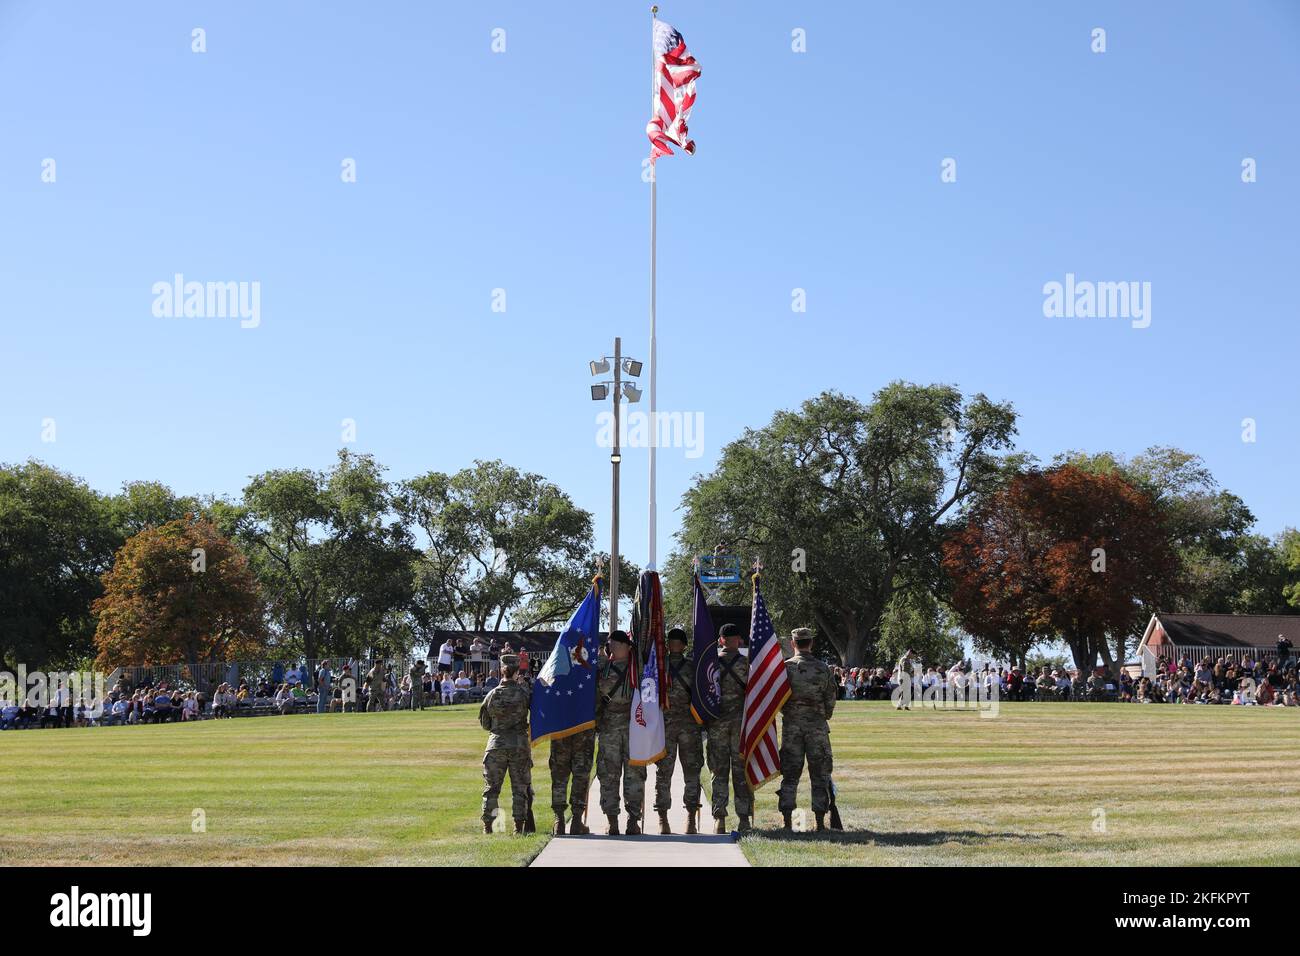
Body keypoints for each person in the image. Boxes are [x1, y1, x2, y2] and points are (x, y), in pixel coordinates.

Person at [777, 628, 836, 831]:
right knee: (819, 775)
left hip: (792, 727)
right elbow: (830, 700)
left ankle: (787, 822)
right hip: (817, 727)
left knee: (790, 776)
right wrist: (821, 715)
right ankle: (819, 822)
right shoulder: (823, 668)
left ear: (793, 644)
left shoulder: (784, 668)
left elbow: (777, 700)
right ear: (811, 643)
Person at [653, 626, 705, 834]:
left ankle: (663, 820)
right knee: (691, 773)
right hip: (689, 727)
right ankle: (690, 820)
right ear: (684, 646)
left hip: (665, 727)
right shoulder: (693, 668)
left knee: (663, 774)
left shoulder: (658, 667)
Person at [595, 630, 646, 835]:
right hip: (609, 728)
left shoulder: (639, 669)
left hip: (634, 727)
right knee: (608, 774)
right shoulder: (602, 668)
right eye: (610, 644)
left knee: (634, 775)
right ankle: (612, 820)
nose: (611, 647)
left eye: (615, 643)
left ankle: (633, 820)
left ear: (627, 646)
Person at [478, 658, 532, 834]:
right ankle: (519, 827)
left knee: (491, 789)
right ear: (517, 672)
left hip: (496, 745)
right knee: (520, 789)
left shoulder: (492, 694)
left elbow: (485, 724)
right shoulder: (525, 694)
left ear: (502, 671)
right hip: (519, 745)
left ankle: (488, 827)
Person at [707, 622, 752, 833]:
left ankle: (720, 819)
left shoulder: (710, 664)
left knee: (719, 771)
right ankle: (744, 818)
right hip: (742, 725)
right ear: (739, 640)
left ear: (720, 640)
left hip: (717, 724)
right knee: (741, 772)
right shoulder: (748, 664)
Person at [548, 721, 596, 835]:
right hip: (583, 728)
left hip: (560, 728)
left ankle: (559, 821)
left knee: (559, 776)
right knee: (581, 775)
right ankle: (576, 820)